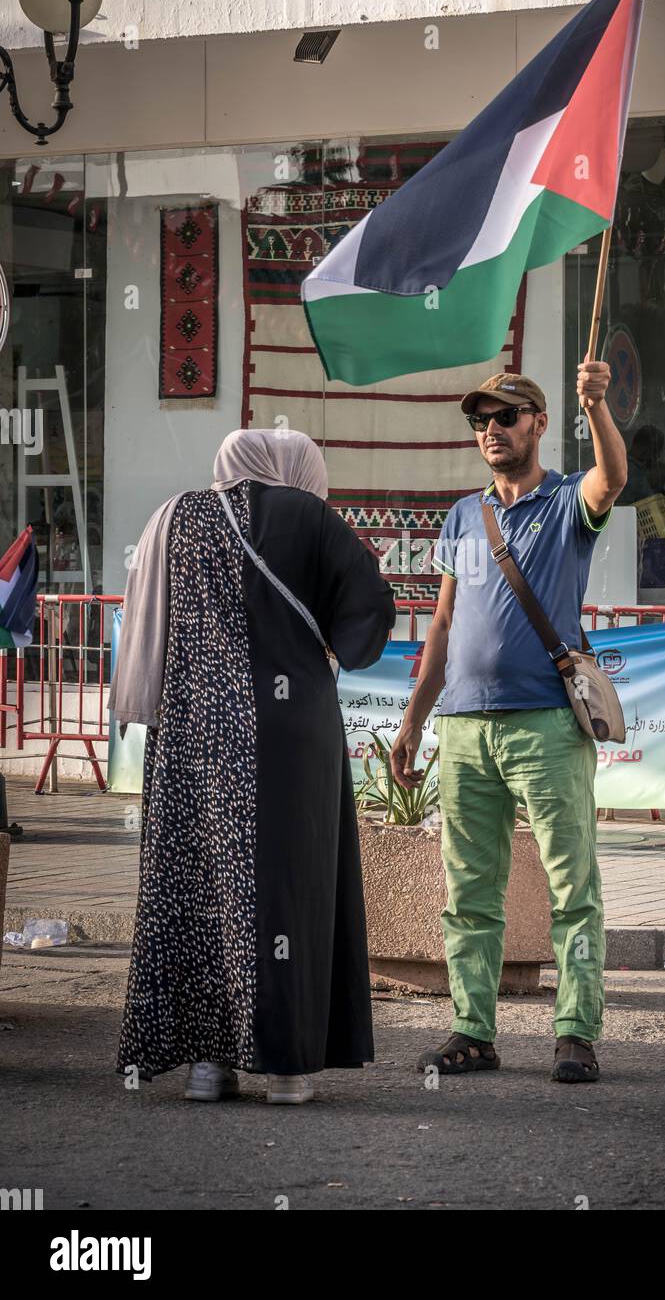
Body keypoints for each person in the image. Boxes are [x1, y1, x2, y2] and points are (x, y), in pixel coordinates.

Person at [109, 429, 395, 1103]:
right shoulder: (310, 513)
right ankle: (288, 1070)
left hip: (191, 734)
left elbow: (147, 623)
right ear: (294, 468)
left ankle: (210, 1066)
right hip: (288, 733)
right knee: (288, 886)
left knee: (201, 887)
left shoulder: (172, 516)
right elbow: (363, 631)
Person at [390, 365, 626, 1083]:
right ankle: (472, 1030)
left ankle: (576, 1033)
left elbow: (610, 479)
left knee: (571, 888)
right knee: (468, 893)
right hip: (463, 729)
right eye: (481, 419)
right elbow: (442, 625)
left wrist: (598, 406)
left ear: (539, 424)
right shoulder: (465, 516)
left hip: (547, 727)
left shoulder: (566, 503)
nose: (491, 429)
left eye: (506, 416)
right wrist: (412, 721)